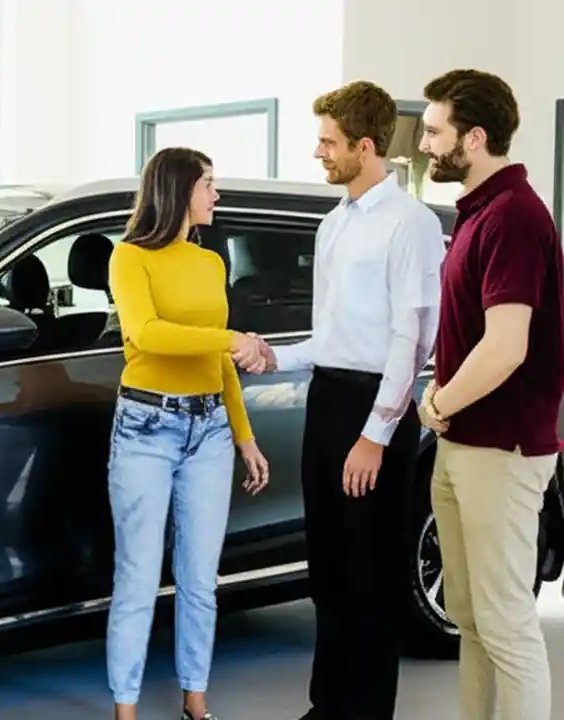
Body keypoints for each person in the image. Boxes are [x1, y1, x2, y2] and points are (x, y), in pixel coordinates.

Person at [243, 81, 446, 719]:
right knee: (328, 571)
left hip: (375, 411)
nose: (318, 153)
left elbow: (412, 340)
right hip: (327, 399)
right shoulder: (333, 225)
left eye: (328, 142)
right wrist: (277, 355)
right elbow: (330, 338)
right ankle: (326, 707)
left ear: (365, 146)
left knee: (372, 578)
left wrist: (376, 435)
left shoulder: (410, 223)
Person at [416, 69, 564, 720]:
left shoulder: (514, 215)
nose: (423, 144)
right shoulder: (478, 212)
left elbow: (507, 345)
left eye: (433, 131)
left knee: (505, 625)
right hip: (464, 444)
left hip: (500, 450)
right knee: (468, 617)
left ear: (474, 138)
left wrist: (439, 402)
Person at [107, 146, 270, 720]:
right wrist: (228, 338)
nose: (215, 196)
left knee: (201, 580)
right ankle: (125, 710)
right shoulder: (129, 258)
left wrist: (244, 435)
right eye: (208, 185)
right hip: (146, 427)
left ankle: (194, 700)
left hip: (211, 432)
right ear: (177, 191)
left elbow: (218, 362)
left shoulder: (211, 263)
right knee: (137, 578)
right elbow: (146, 334)